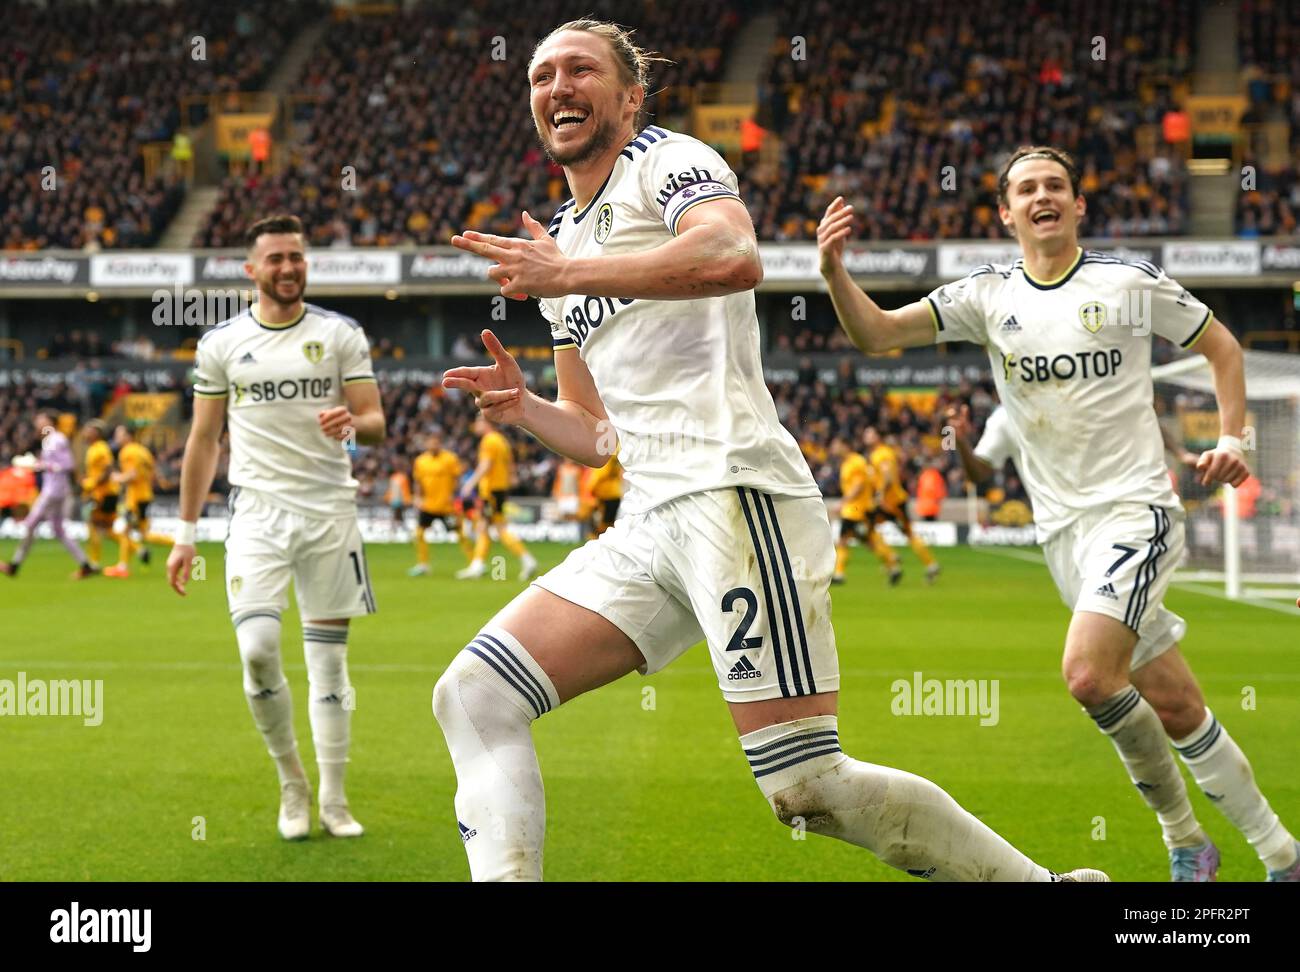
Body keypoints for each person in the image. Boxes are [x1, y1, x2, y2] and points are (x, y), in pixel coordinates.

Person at [433, 21, 1104, 882]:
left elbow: (732, 253)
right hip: (646, 524)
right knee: (475, 694)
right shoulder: (561, 237)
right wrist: (526, 407)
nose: (557, 86)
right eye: (540, 75)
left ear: (630, 96)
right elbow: (594, 436)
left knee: (806, 785)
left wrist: (568, 277)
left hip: (733, 498)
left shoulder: (666, 162)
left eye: (580, 70)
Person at [818, 144, 1299, 882]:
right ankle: (1280, 853)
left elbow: (1223, 348)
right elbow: (878, 334)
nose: (1043, 196)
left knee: (1086, 675)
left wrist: (1232, 437)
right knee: (1175, 704)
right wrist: (833, 275)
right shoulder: (986, 296)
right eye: (1027, 188)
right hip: (1063, 539)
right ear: (1006, 213)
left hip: (1136, 513)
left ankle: (1185, 841)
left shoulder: (1128, 282)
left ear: (1078, 205)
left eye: (1057, 185)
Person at [166, 214, 386, 842]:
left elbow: (375, 421)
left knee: (329, 667)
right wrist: (184, 534)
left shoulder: (341, 335)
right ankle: (292, 782)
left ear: (304, 264)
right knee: (258, 651)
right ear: (252, 270)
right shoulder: (220, 345)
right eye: (276, 259)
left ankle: (336, 800)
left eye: (296, 256)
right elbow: (204, 441)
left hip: (328, 511)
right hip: (257, 514)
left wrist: (353, 421)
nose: (288, 267)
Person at [0, 411, 97, 579]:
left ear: (49, 422)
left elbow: (67, 465)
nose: (37, 423)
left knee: (30, 524)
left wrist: (41, 466)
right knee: (59, 530)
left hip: (53, 491)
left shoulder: (55, 439)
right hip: (56, 490)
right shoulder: (50, 440)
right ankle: (85, 564)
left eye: (40, 420)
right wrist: (40, 465)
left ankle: (14, 565)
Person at [454, 415, 538, 581]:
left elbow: (486, 465)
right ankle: (477, 565)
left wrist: (469, 483)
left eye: (478, 422)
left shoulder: (489, 441)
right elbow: (510, 466)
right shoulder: (502, 441)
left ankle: (527, 559)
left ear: (486, 423)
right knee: (484, 527)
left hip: (490, 491)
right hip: (499, 489)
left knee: (498, 529)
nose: (475, 426)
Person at [866, 428, 940, 583]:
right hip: (887, 502)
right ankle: (892, 561)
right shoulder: (879, 454)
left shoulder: (882, 454)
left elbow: (887, 476)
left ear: (878, 437)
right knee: (869, 529)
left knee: (906, 533)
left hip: (892, 502)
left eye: (870, 434)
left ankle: (924, 563)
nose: (866, 436)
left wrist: (879, 493)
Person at [828, 433, 899, 585]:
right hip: (857, 510)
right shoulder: (849, 462)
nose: (833, 447)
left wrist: (843, 502)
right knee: (866, 541)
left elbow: (858, 486)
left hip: (855, 510)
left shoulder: (856, 462)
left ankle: (840, 573)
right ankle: (892, 563)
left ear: (845, 446)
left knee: (845, 541)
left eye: (836, 444)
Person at [104, 424, 169, 577]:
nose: (116, 437)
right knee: (142, 534)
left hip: (135, 497)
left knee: (127, 531)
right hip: (145, 495)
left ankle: (123, 567)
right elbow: (154, 472)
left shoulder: (128, 452)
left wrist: (117, 478)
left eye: (119, 434)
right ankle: (126, 563)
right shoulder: (143, 450)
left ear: (128, 436)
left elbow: (132, 474)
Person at [409, 430, 473, 576]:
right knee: (419, 533)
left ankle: (474, 563)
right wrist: (417, 497)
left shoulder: (450, 459)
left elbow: (457, 479)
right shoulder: (420, 461)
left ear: (440, 443)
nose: (433, 445)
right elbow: (418, 482)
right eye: (431, 442)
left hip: (447, 507)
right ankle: (423, 564)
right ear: (426, 444)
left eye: (436, 442)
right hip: (428, 506)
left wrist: (454, 495)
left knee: (460, 534)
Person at [81, 420, 128, 570]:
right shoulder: (93, 448)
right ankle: (136, 548)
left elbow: (108, 470)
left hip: (104, 494)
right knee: (106, 530)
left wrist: (92, 484)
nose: (85, 432)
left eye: (89, 429)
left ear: (97, 433)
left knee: (93, 525)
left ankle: (94, 563)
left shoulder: (100, 448)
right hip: (103, 493)